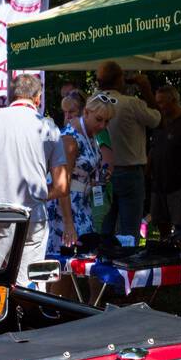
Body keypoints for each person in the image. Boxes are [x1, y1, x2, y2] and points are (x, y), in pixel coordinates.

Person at [0, 73, 67, 287]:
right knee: (31, 284)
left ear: (11, 96)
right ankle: (28, 319)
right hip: (34, 216)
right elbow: (61, 186)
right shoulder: (50, 127)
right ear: (38, 99)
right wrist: (38, 194)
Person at [95, 61, 159, 242]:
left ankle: (102, 263)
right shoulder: (131, 103)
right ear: (120, 79)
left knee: (103, 228)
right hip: (130, 172)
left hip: (101, 173)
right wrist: (146, 88)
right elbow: (158, 120)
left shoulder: (92, 103)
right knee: (130, 232)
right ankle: (128, 265)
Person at [47, 92, 114, 255]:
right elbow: (62, 184)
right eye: (99, 120)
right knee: (67, 264)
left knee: (81, 262)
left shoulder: (91, 135)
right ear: (86, 113)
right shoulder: (70, 138)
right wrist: (68, 223)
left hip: (82, 205)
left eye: (107, 121)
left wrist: (97, 179)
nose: (103, 126)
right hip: (65, 209)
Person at [147, 85, 181, 243]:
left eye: (162, 102)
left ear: (174, 101)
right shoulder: (159, 124)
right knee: (162, 227)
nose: (159, 107)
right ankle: (166, 260)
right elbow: (153, 149)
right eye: (157, 102)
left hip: (180, 186)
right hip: (158, 185)